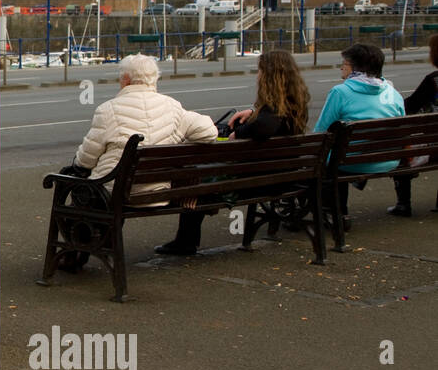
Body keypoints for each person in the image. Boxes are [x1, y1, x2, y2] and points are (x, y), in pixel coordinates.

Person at [56, 54, 217, 270]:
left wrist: (77, 167)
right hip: (159, 190)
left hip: (116, 194)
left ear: (125, 80)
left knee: (78, 187)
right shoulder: (174, 107)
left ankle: (78, 254)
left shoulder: (108, 110)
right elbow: (209, 132)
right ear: (154, 80)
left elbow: (86, 160)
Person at [156, 49, 310, 256]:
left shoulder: (270, 115)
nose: (258, 75)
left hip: (258, 181)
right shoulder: (296, 106)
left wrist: (238, 134)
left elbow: (263, 127)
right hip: (284, 175)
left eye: (260, 71)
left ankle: (186, 241)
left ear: (270, 76)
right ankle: (186, 239)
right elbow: (270, 122)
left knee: (196, 179)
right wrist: (254, 112)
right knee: (202, 177)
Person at [313, 43, 405, 226]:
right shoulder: (393, 93)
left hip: (349, 162)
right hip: (388, 160)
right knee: (341, 154)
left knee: (330, 157)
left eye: (344, 63)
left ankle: (338, 213)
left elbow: (321, 131)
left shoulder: (341, 92)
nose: (341, 67)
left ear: (355, 68)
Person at [389, 33, 438, 216]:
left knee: (402, 148)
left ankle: (403, 204)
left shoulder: (433, 80)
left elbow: (407, 107)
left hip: (433, 147)